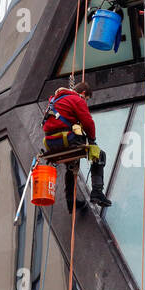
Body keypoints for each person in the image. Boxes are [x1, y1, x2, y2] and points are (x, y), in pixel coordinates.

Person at [43, 80, 111, 209]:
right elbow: (88, 122)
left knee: (71, 165)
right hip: (65, 138)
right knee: (99, 154)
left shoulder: (55, 101)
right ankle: (97, 191)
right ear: (83, 93)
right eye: (86, 99)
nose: (85, 102)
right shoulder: (76, 99)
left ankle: (70, 200)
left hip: (50, 142)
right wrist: (92, 140)